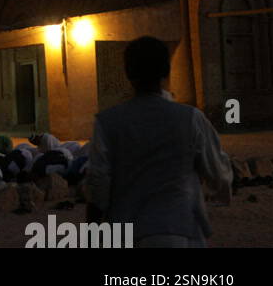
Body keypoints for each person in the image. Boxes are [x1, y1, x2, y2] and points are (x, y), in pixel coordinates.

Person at [87, 36, 232, 248]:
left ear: (128, 73)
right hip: (180, 229)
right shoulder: (191, 118)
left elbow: (98, 182)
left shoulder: (107, 122)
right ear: (166, 71)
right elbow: (218, 172)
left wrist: (94, 231)